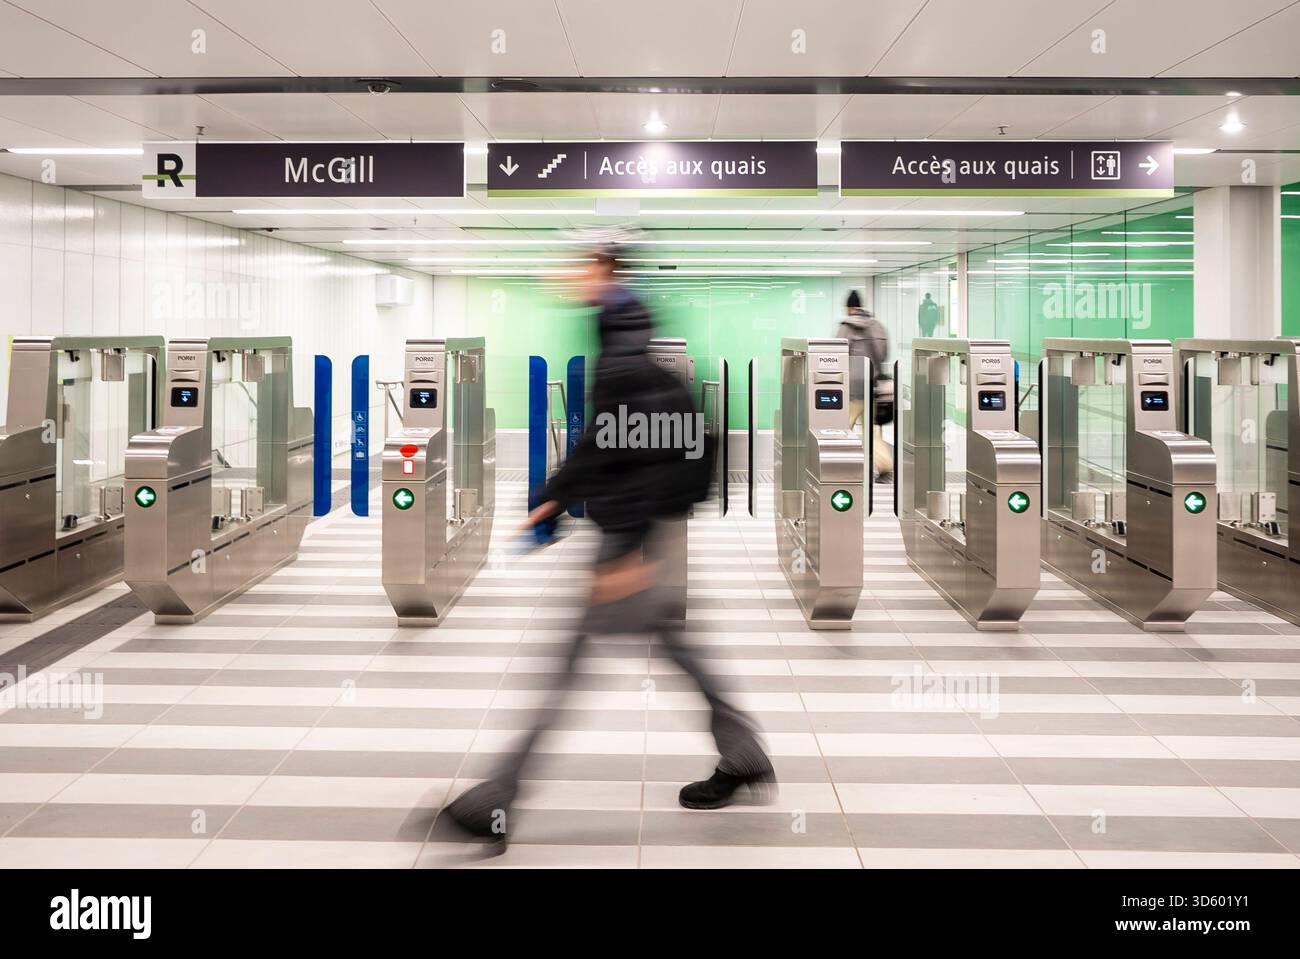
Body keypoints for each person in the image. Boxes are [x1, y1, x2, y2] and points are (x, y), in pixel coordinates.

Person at [441, 239, 775, 847]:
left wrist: (625, 550)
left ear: (606, 274)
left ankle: (495, 799)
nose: (572, 277)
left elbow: (632, 451)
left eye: (583, 268)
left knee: (565, 668)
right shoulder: (624, 340)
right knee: (673, 644)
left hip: (631, 533)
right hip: (642, 528)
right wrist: (555, 494)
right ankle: (744, 754)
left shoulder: (620, 354)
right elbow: (609, 441)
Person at [836, 290, 893, 479]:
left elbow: (838, 354)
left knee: (842, 428)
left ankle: (841, 463)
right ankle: (884, 467)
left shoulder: (846, 327)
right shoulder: (876, 326)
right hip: (873, 386)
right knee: (872, 431)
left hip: (852, 389)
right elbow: (883, 354)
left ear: (850, 308)